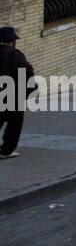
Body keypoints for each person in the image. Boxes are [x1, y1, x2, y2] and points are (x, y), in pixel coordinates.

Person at [0, 26, 34, 159]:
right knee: (14, 124)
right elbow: (26, 72)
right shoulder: (15, 54)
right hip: (12, 95)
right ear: (11, 41)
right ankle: (6, 151)